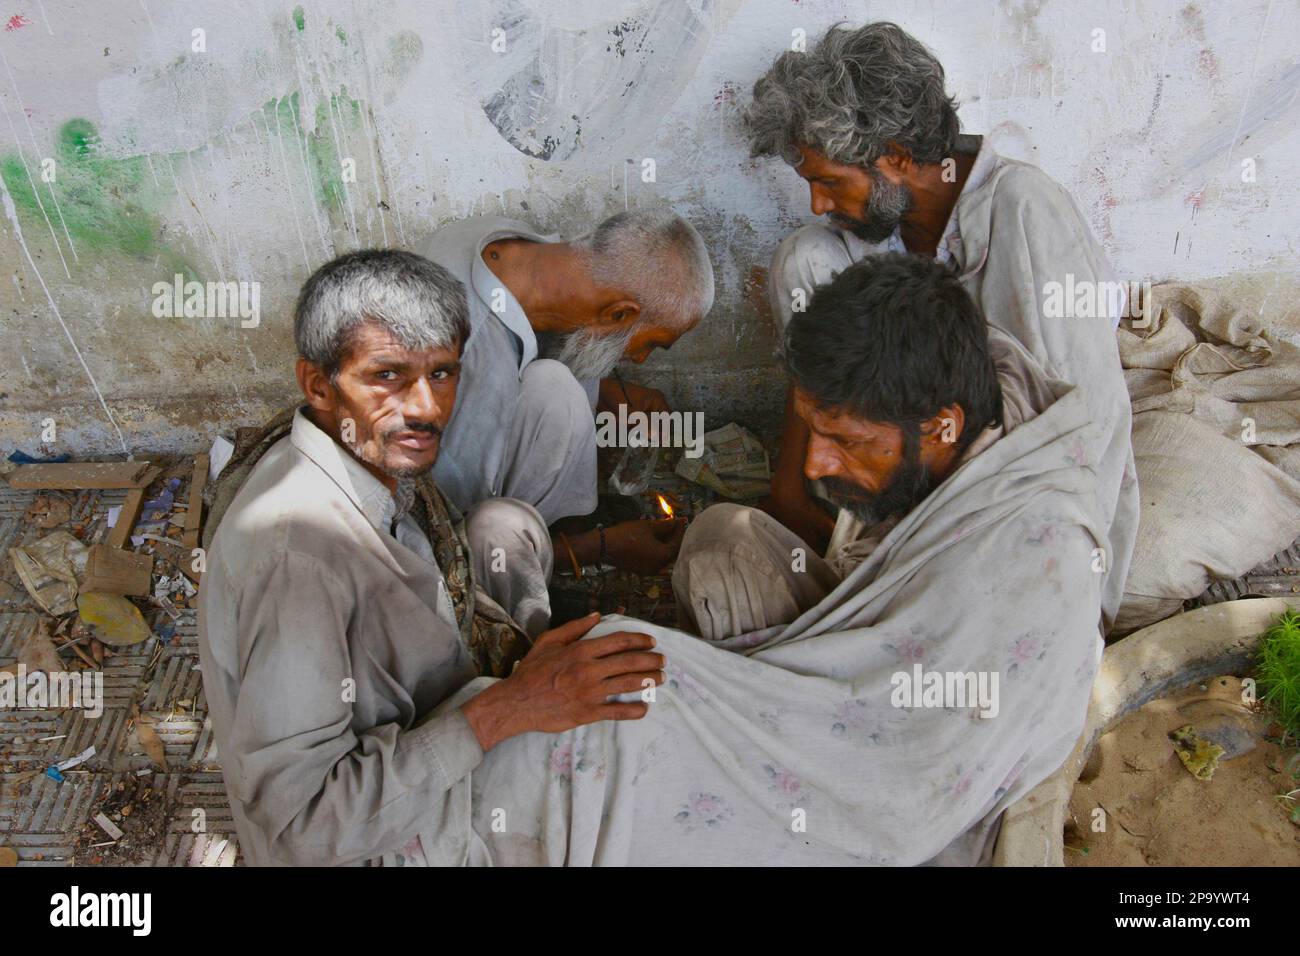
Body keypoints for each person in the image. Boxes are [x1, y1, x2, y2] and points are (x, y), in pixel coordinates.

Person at [463, 254, 1110, 866]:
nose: (815, 464)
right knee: (720, 541)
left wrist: (727, 710)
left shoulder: (1037, 562)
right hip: (856, 654)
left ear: (944, 425)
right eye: (815, 429)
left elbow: (904, 788)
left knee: (607, 711)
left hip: (872, 761)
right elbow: (870, 603)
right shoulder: (975, 389)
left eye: (848, 441)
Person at [197, 250, 665, 866]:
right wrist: (509, 707)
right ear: (318, 384)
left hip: (426, 704)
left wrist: (519, 689)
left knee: (507, 525)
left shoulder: (353, 453)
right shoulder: (296, 563)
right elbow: (302, 828)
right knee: (625, 750)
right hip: (369, 841)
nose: (424, 408)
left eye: (441, 374)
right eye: (388, 376)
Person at [743, 21, 1136, 630]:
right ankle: (865, 542)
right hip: (898, 480)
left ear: (898, 158)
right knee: (804, 253)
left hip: (1005, 496)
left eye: (828, 182)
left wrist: (1079, 585)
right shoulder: (847, 245)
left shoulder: (1025, 212)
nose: (818, 204)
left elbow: (1083, 424)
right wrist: (790, 495)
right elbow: (822, 387)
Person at [418, 207, 713, 578]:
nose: (638, 359)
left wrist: (605, 392)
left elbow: (547, 348)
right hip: (439, 551)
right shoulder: (473, 359)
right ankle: (547, 562)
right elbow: (454, 544)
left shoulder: (506, 246)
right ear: (620, 313)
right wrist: (594, 549)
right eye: (651, 344)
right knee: (561, 390)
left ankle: (565, 522)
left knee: (567, 372)